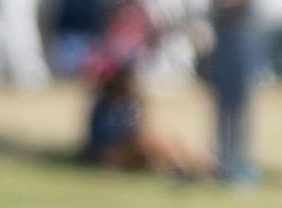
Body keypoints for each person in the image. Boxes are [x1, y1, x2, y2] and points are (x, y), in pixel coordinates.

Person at [81, 60, 213, 178]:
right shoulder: (104, 106)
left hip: (137, 151)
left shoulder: (132, 104)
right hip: (109, 155)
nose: (128, 83)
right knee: (144, 138)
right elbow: (103, 141)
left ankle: (201, 165)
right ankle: (182, 167)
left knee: (166, 135)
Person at [201, 0, 263, 185]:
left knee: (238, 109)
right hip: (223, 46)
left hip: (238, 44)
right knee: (222, 109)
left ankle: (237, 161)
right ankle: (222, 160)